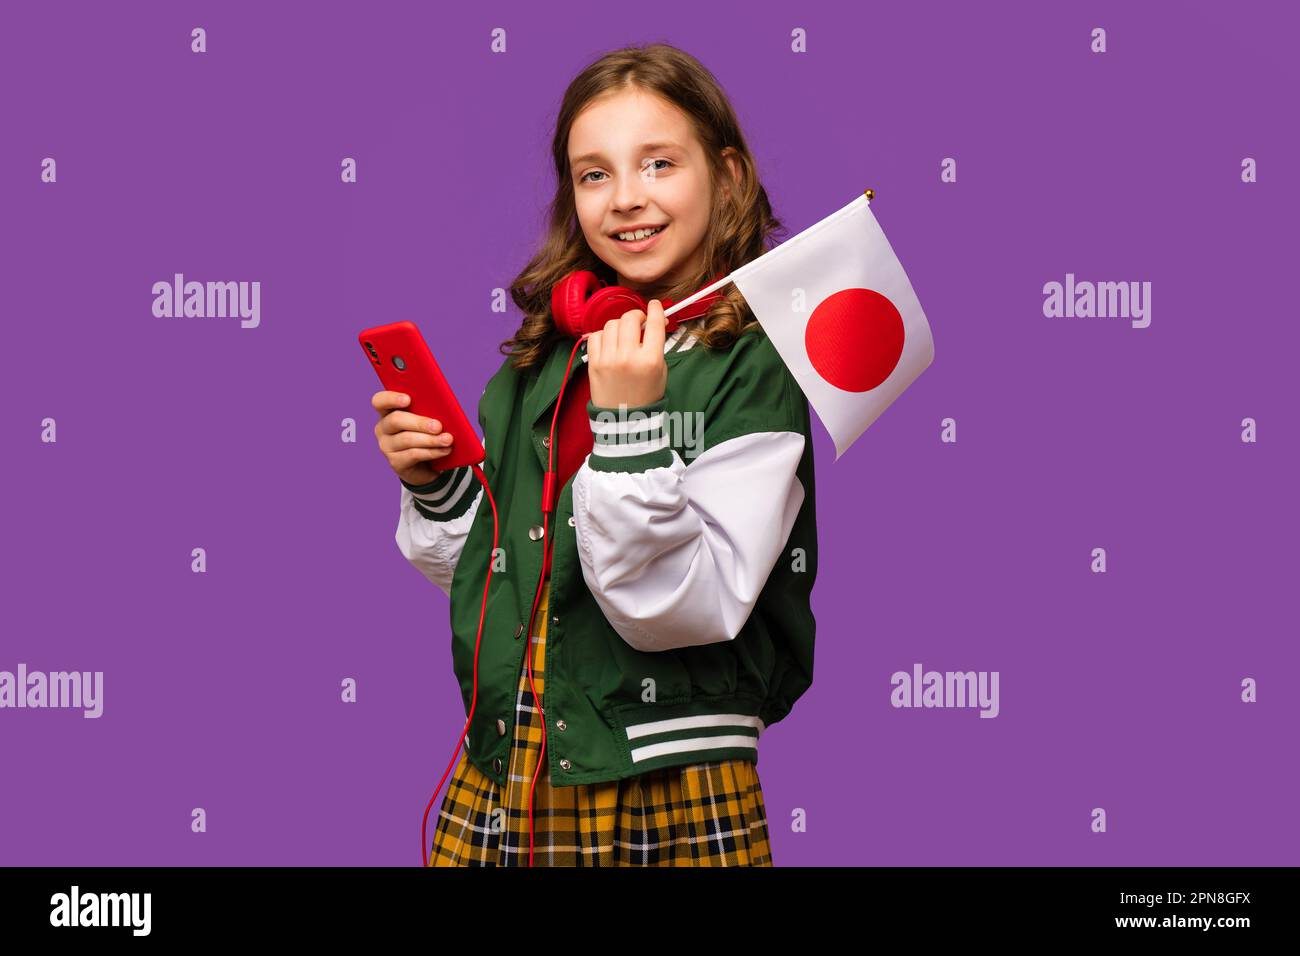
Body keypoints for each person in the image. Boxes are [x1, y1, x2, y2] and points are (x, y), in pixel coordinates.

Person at [372, 42, 818, 866]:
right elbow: (507, 570)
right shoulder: (542, 362)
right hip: (508, 768)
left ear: (726, 174)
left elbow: (680, 611)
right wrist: (436, 486)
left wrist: (628, 430)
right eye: (594, 175)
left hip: (666, 780)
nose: (626, 199)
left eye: (658, 163)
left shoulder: (751, 368)